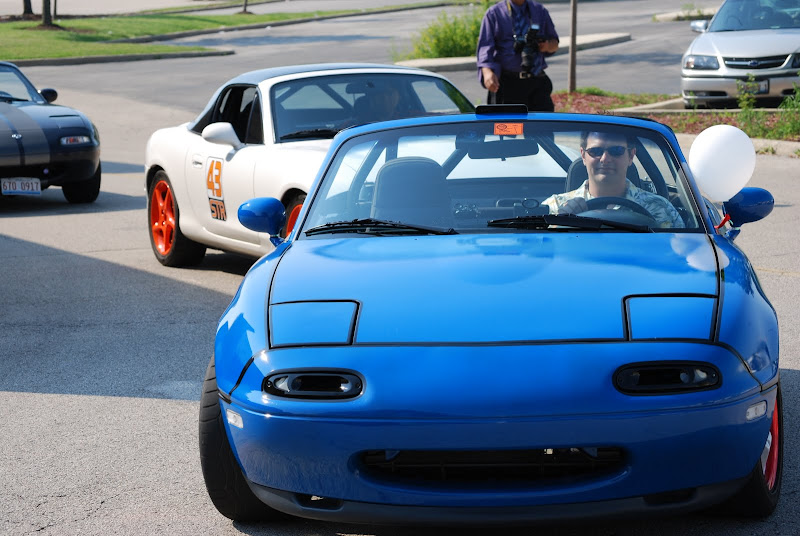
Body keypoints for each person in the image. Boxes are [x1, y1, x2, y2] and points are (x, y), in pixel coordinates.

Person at [542, 131, 685, 228]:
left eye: (616, 151)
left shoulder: (661, 208)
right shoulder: (553, 208)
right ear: (583, 156)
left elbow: (682, 256)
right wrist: (559, 222)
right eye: (595, 151)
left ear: (631, 156)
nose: (605, 159)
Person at [476, 0, 560, 112]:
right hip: (508, 85)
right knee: (508, 128)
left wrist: (547, 45)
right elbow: (485, 48)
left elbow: (554, 44)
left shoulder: (539, 10)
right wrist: (487, 72)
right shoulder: (494, 13)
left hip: (536, 82)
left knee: (541, 127)